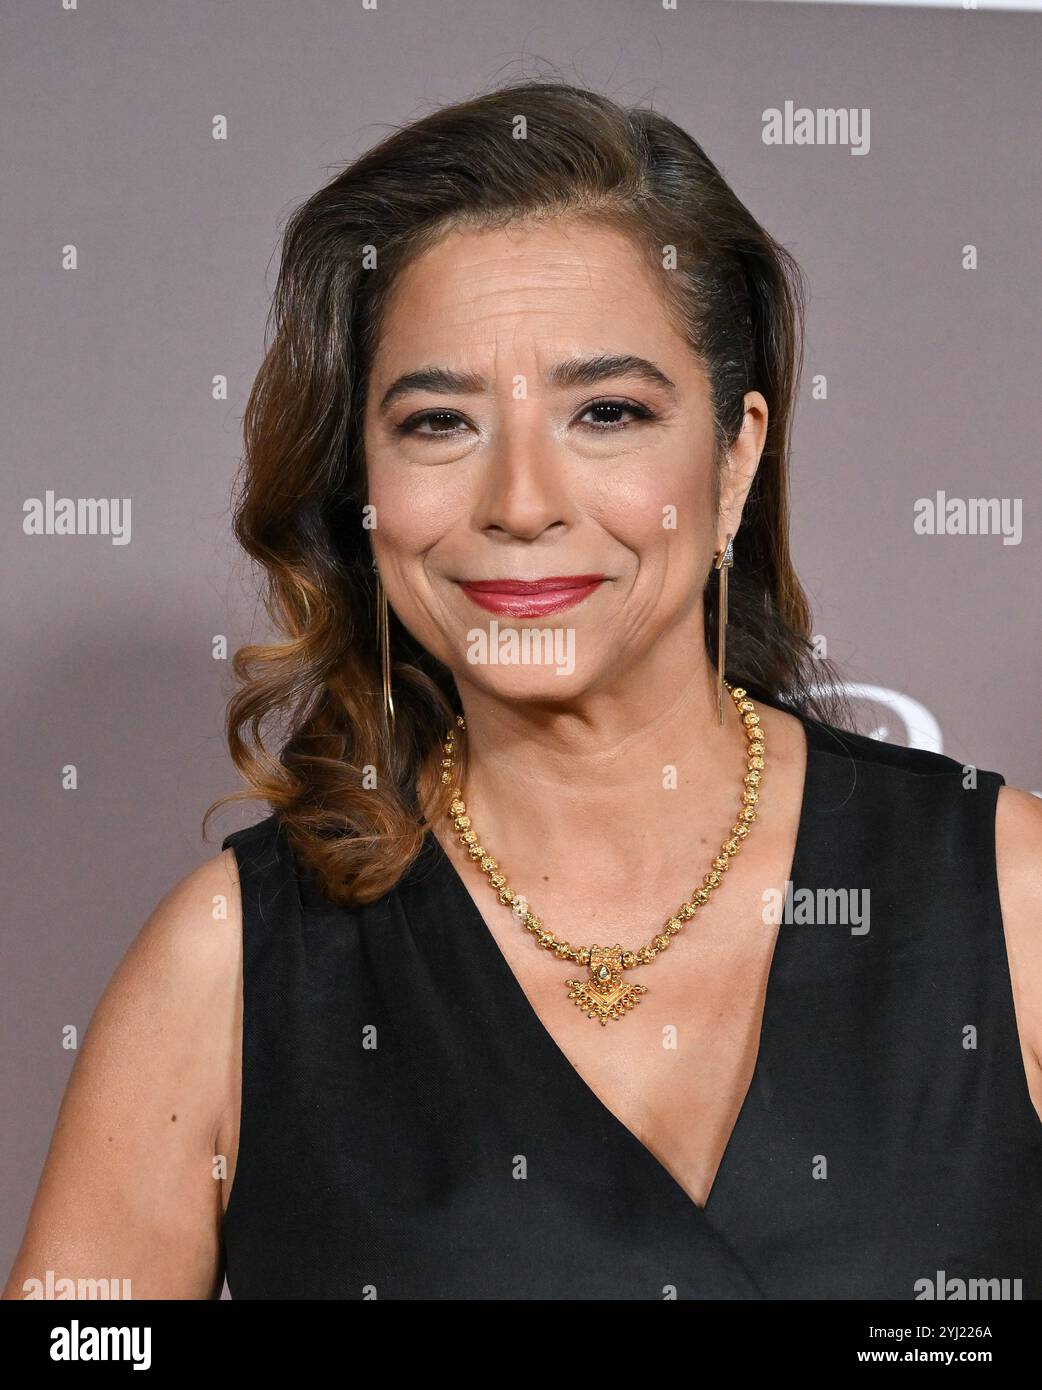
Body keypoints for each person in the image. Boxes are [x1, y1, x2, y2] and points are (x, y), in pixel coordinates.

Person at [6, 80, 1041, 1301]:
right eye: (438, 422)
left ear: (735, 455)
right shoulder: (232, 960)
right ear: (363, 485)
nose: (520, 501)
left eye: (605, 411)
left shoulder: (1008, 892)